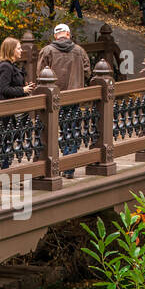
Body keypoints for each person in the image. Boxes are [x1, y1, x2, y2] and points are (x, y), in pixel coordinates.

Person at [37, 24, 91, 177]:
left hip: (53, 98)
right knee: (72, 129)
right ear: (68, 34)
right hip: (74, 96)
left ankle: (52, 164)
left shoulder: (47, 50)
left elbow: (40, 73)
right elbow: (87, 72)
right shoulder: (79, 51)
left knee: (52, 130)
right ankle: (69, 166)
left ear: (56, 36)